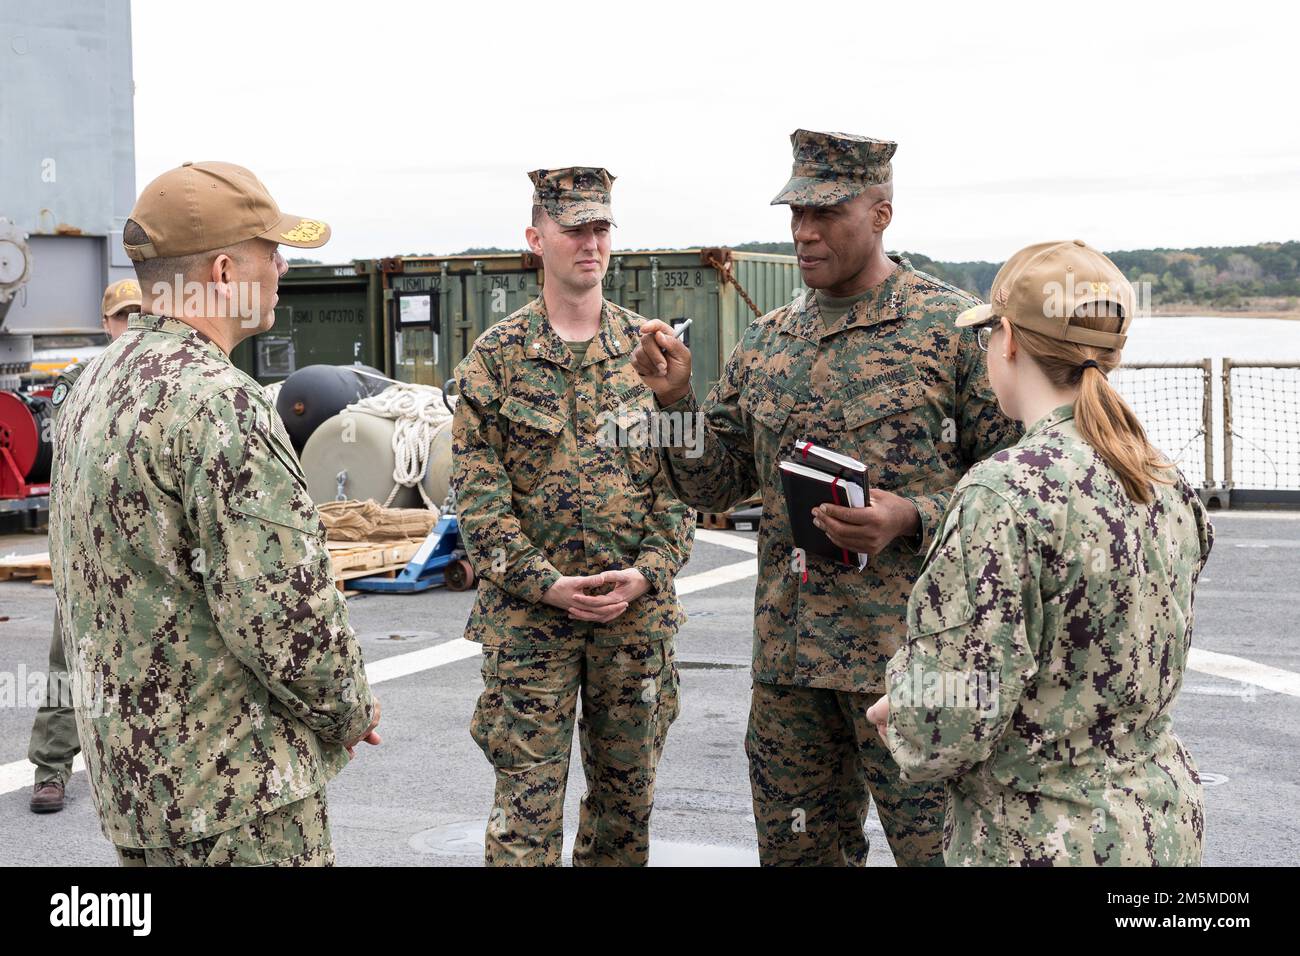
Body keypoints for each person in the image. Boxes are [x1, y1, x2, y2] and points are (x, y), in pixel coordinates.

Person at [632, 130, 1021, 866]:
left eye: (826, 214)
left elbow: (1014, 487)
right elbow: (716, 482)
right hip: (792, 664)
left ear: (880, 213)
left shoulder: (954, 330)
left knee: (940, 853)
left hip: (917, 658)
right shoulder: (769, 339)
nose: (804, 232)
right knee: (796, 854)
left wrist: (911, 515)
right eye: (795, 215)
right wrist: (676, 398)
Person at [47, 161, 380, 866]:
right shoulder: (217, 403)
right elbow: (284, 619)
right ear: (225, 272)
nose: (284, 267)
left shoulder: (92, 385)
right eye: (272, 252)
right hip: (238, 798)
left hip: (138, 795)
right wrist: (351, 710)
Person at [867, 239, 1213, 866]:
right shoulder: (1164, 479)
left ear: (1008, 342)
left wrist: (902, 700)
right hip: (1159, 830)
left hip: (1037, 839)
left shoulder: (1000, 494)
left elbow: (946, 727)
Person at [452, 167, 694, 866]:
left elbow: (682, 484)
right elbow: (478, 498)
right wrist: (543, 583)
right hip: (530, 625)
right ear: (536, 238)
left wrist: (648, 574)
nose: (591, 242)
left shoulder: (653, 354)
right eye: (574, 228)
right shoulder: (495, 361)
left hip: (634, 621)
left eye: (601, 228)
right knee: (524, 818)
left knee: (626, 811)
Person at [27, 278, 141, 814]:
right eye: (122, 316)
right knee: (67, 660)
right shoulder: (79, 381)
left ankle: (141, 771)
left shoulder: (165, 380)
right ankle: (51, 769)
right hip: (88, 551)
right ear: (106, 324)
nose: (130, 325)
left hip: (146, 551)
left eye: (140, 314)